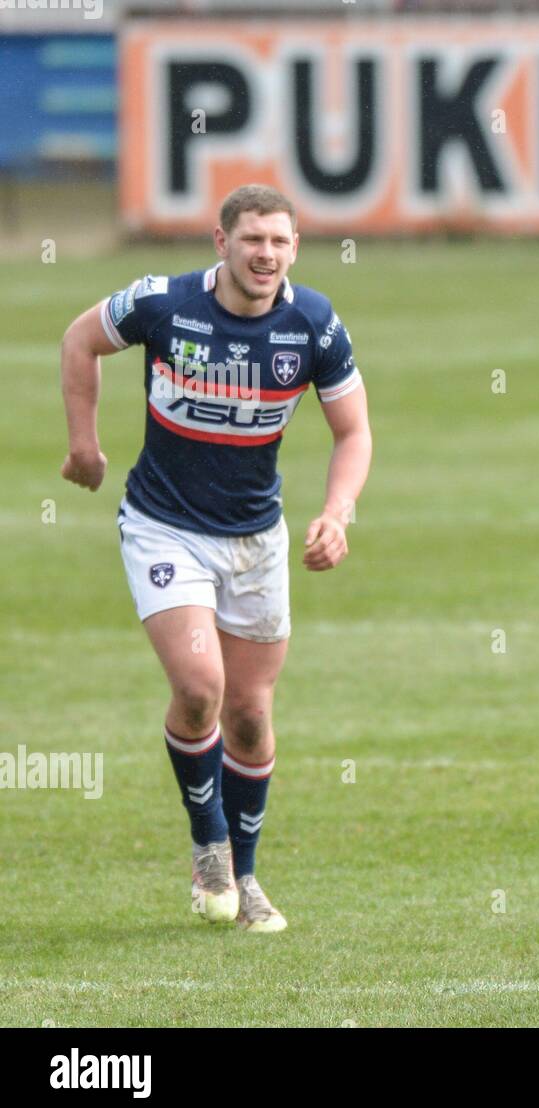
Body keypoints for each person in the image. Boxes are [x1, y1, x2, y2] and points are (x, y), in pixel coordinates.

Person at [59, 184, 373, 932]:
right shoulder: (163, 305)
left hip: (255, 539)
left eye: (279, 241)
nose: (265, 253)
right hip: (164, 527)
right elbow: (80, 340)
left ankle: (248, 875)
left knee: (251, 715)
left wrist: (336, 514)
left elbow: (353, 433)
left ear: (294, 248)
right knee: (200, 686)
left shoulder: (315, 325)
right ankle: (210, 848)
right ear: (220, 242)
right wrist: (83, 443)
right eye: (252, 239)